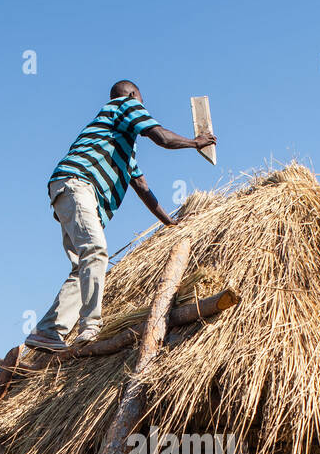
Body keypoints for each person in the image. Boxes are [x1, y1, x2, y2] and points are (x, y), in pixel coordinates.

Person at [25, 81, 216, 351]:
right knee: (95, 251)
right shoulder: (124, 105)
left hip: (68, 191)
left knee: (85, 265)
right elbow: (160, 136)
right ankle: (90, 326)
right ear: (133, 95)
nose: (143, 108)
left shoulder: (123, 147)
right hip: (78, 184)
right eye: (142, 102)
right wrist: (194, 142)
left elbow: (143, 188)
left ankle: (47, 331)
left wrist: (169, 222)